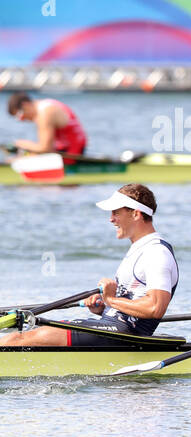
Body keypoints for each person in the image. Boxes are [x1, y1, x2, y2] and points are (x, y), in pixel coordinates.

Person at [2, 185, 177, 346]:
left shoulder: (156, 253)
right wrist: (104, 308)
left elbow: (155, 307)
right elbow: (133, 302)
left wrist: (111, 300)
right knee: (22, 333)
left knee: (20, 339)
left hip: (125, 335)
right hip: (110, 326)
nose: (111, 219)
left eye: (116, 212)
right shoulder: (139, 249)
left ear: (136, 214)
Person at [6, 91, 88, 158]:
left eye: (19, 115)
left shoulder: (44, 114)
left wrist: (22, 144)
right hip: (64, 147)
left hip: (71, 151)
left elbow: (45, 148)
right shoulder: (44, 105)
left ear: (25, 105)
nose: (22, 119)